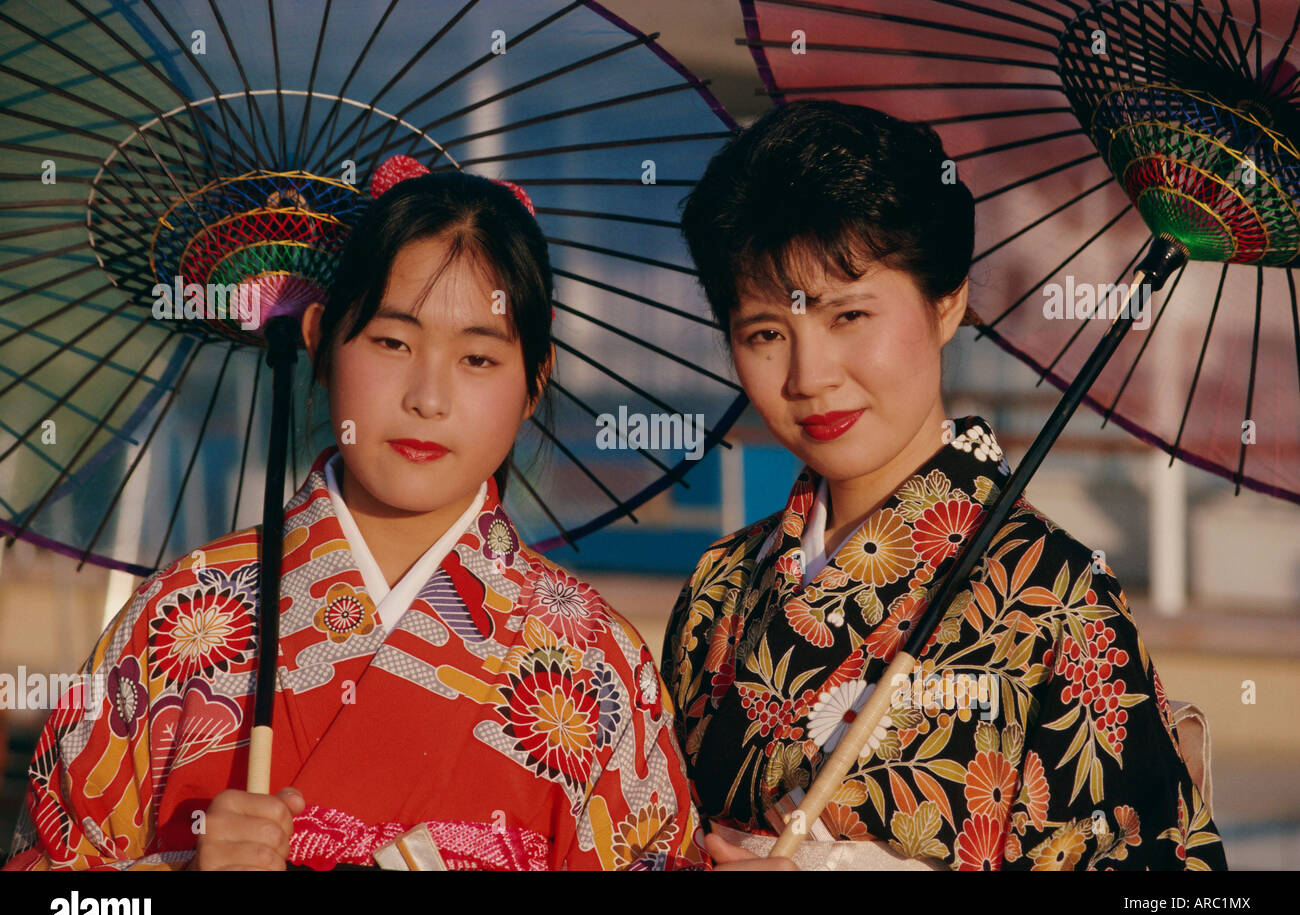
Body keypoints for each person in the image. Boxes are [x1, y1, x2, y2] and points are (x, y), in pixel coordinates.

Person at [5, 160, 706, 871]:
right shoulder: (177, 623)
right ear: (318, 339)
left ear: (535, 381)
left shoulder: (597, 666)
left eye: (478, 358)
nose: (428, 397)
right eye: (391, 342)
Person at [663, 100, 1228, 870]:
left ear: (947, 299)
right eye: (765, 333)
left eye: (849, 315)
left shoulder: (1058, 598)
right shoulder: (719, 591)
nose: (809, 376)